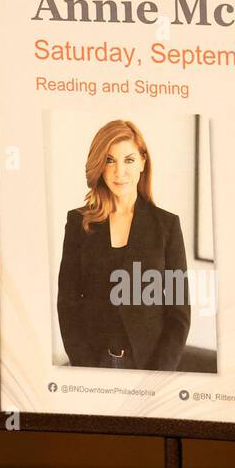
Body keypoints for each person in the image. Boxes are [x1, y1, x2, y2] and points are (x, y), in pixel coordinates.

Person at [57, 120, 190, 370]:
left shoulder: (167, 226)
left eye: (128, 160)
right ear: (99, 165)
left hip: (148, 366)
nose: (119, 172)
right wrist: (86, 368)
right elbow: (67, 304)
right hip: (92, 365)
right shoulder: (78, 222)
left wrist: (157, 377)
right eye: (109, 160)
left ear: (142, 162)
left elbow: (178, 314)